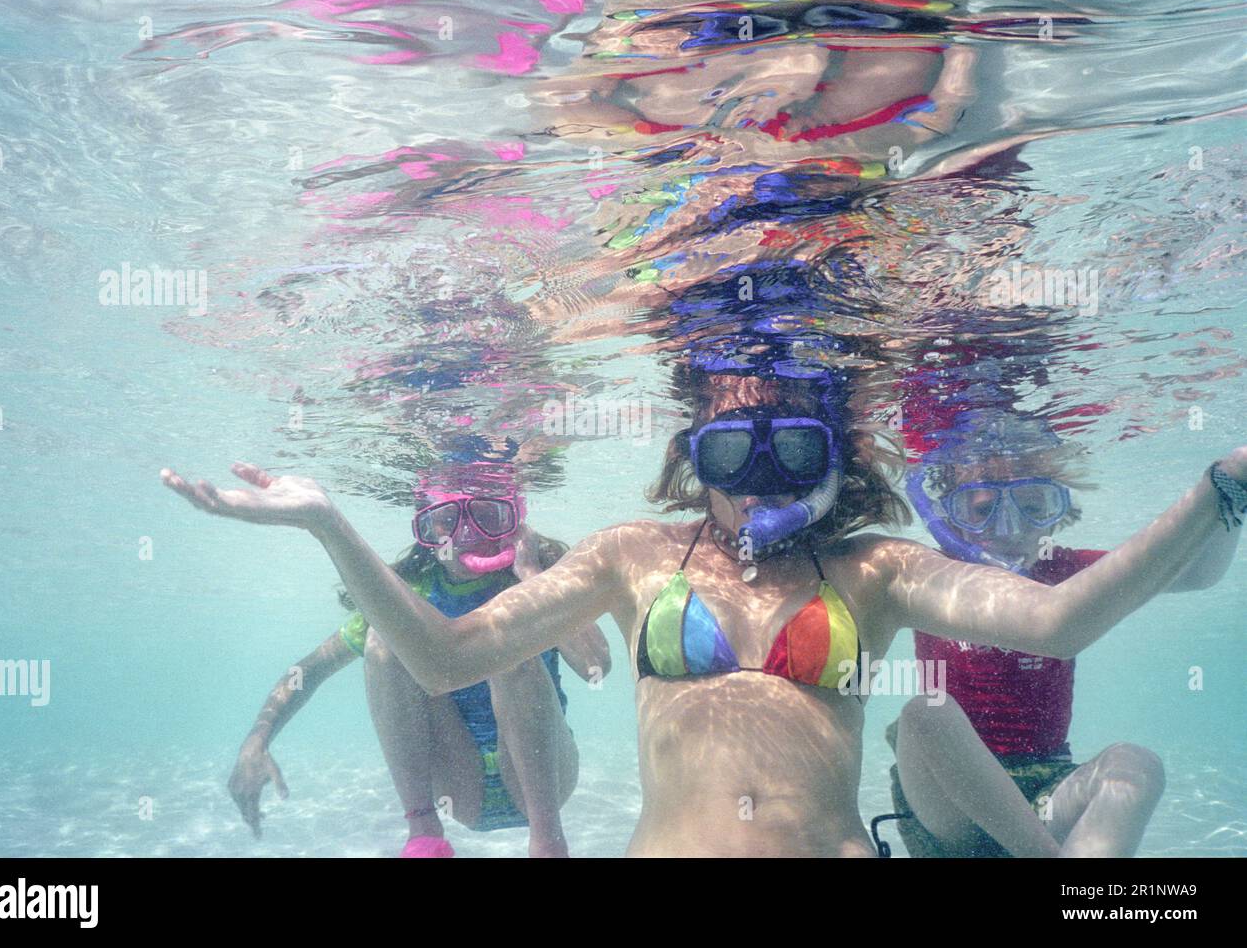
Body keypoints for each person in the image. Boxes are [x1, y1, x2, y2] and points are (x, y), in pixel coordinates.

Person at [162, 359, 1247, 856]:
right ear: (695, 457)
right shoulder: (631, 553)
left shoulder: (873, 568)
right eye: (731, 448)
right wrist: (325, 523)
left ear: (833, 459)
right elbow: (444, 657)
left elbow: (1059, 620)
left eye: (792, 449)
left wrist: (1217, 492)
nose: (759, 477)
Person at [883, 410, 1236, 857]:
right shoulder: (931, 574)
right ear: (948, 518)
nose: (1007, 528)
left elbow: (1199, 573)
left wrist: (1229, 495)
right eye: (982, 510)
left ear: (1057, 514)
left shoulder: (1065, 570)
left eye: (1031, 508)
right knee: (925, 714)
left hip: (1045, 794)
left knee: (1135, 765)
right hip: (951, 807)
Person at [227, 465, 610, 858]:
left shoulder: (538, 576)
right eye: (445, 522)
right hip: (457, 785)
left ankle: (547, 841)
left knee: (507, 648)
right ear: (427, 536)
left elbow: (595, 663)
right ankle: (423, 830)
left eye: (486, 517)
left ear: (512, 521)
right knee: (384, 639)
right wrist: (255, 743)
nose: (466, 536)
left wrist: (532, 576)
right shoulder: (412, 596)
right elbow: (309, 670)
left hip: (546, 779)